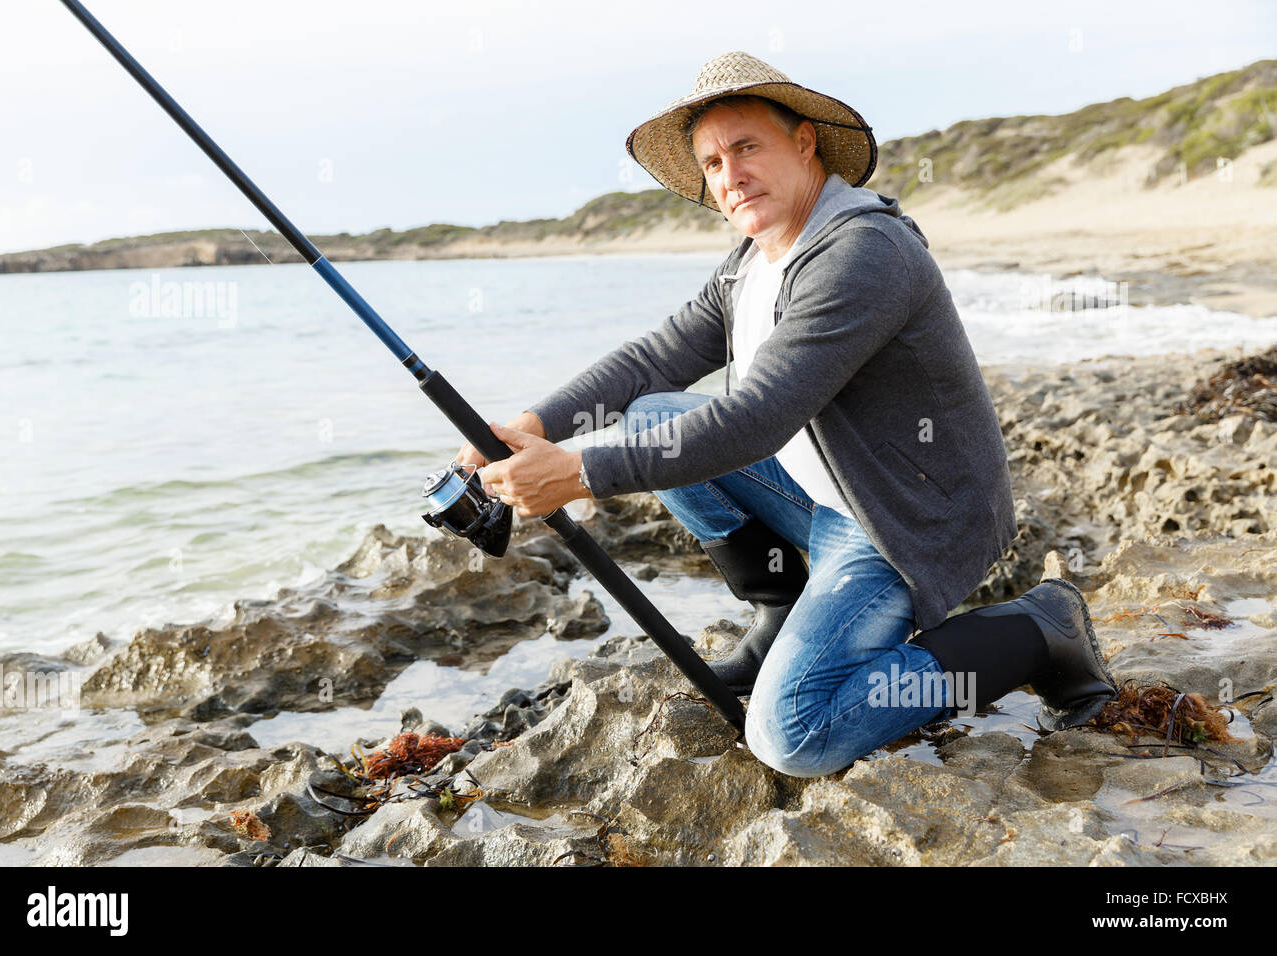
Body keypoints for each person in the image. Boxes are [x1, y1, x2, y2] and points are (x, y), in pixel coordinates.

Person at [455, 51, 1116, 777]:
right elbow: (655, 359)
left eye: (745, 148)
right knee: (649, 413)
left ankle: (1036, 629)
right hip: (828, 494)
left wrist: (582, 474)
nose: (729, 175)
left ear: (804, 143)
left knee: (794, 735)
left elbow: (755, 417)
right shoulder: (753, 259)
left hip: (900, 520)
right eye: (711, 162)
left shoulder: (863, 252)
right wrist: (530, 427)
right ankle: (780, 611)